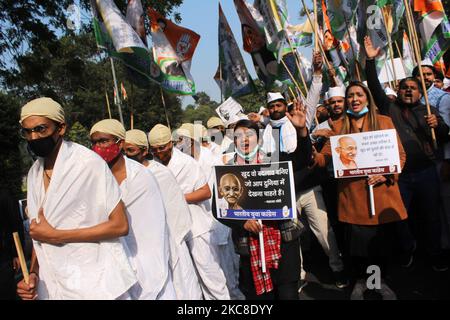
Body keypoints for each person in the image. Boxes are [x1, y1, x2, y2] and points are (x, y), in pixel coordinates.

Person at [17, 97, 137, 300]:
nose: (34, 137)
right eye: (27, 132)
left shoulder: (88, 164)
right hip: (55, 285)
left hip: (95, 284)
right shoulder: (34, 172)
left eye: (41, 129)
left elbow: (119, 225)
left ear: (61, 128)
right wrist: (34, 274)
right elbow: (40, 235)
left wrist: (56, 235)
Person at [314, 81, 408, 300]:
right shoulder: (337, 127)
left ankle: (377, 283)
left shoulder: (384, 122)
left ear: (367, 98)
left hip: (381, 195)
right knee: (358, 248)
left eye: (359, 95)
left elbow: (400, 156)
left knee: (379, 246)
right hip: (353, 198)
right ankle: (360, 281)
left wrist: (386, 175)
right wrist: (306, 141)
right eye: (350, 96)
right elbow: (322, 159)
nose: (354, 99)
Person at [365, 36, 450, 271]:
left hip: (426, 173)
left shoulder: (429, 111)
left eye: (413, 88)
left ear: (420, 92)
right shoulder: (390, 108)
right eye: (405, 88)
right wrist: (370, 61)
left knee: (432, 216)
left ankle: (433, 253)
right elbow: (373, 86)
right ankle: (407, 249)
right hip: (399, 175)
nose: (409, 91)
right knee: (401, 217)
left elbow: (444, 137)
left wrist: (438, 126)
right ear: (399, 91)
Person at [212, 99, 309, 299]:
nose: (245, 140)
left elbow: (302, 160)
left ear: (259, 138)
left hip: (283, 242)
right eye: (239, 136)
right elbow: (218, 208)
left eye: (249, 135)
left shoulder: (275, 160)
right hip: (250, 247)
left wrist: (302, 132)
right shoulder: (228, 169)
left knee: (287, 294)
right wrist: (242, 222)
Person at [89, 119, 175, 300]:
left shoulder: (139, 177)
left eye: (103, 141)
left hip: (147, 261)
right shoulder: (96, 176)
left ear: (120, 143)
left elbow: (149, 230)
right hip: (117, 266)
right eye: (94, 142)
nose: (98, 147)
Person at [148, 124, 230, 300]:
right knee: (187, 278)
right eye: (154, 149)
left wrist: (176, 198)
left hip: (197, 227)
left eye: (161, 148)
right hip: (173, 230)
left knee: (210, 275)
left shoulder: (187, 163)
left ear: (170, 144)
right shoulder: (153, 167)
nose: (158, 152)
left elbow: (205, 192)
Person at [123, 129, 203, 300]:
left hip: (171, 238)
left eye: (130, 150)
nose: (126, 155)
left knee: (183, 286)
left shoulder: (159, 172)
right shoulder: (124, 174)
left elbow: (175, 209)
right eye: (124, 150)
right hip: (141, 244)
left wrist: (169, 238)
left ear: (144, 151)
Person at [174, 122, 244, 300]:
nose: (178, 144)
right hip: (198, 225)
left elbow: (218, 192)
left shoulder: (211, 160)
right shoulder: (184, 162)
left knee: (227, 270)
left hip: (218, 221)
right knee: (208, 272)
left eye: (181, 140)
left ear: (192, 140)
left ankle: (236, 299)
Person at [0, 189, 24, 300]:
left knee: (6, 292)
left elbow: (16, 224)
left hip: (4, 258)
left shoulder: (4, 195)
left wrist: (17, 254)